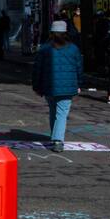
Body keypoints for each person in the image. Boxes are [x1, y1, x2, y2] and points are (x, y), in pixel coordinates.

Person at [32, 20, 84, 152]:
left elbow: (37, 69)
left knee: (53, 111)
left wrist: (36, 86)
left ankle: (54, 136)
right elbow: (79, 68)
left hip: (49, 86)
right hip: (68, 86)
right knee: (61, 113)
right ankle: (57, 140)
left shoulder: (45, 48)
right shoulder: (73, 48)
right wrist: (79, 83)